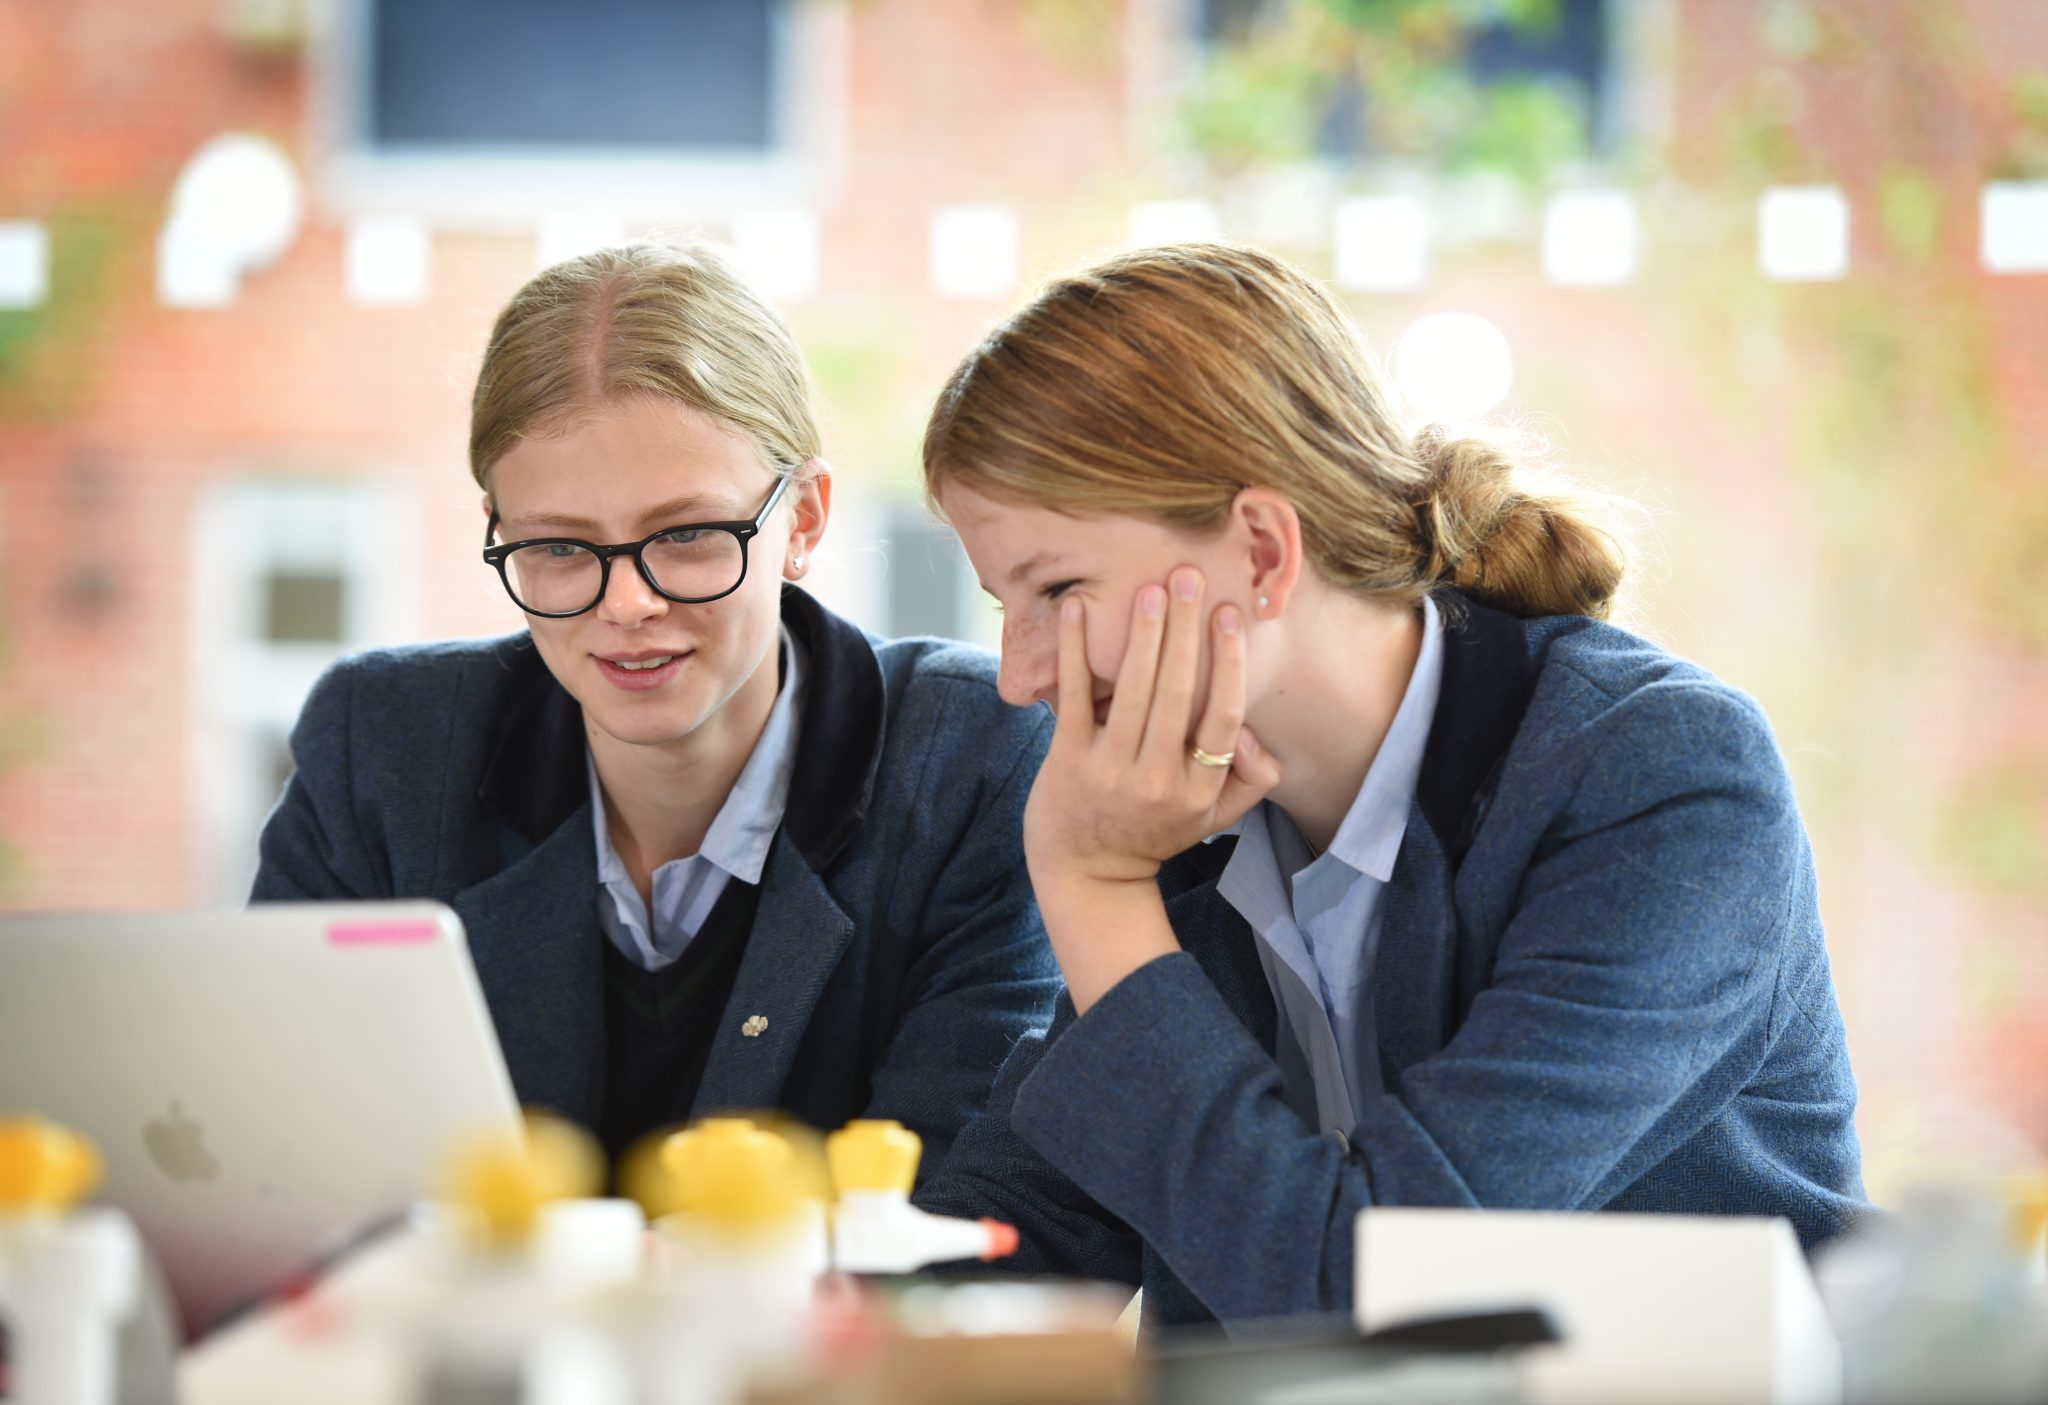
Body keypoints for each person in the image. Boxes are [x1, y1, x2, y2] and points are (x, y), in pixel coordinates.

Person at [912, 242, 1867, 1331]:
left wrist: (1090, 895)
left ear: (1263, 552)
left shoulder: (1660, 781)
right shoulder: (1188, 812)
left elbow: (1370, 1293)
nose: (1018, 672)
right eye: (1002, 602)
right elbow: (1015, 1232)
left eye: (1056, 589)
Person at [253, 240, 1057, 1168]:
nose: (626, 603)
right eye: (559, 547)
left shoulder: (975, 760)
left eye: (685, 535)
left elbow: (954, 1221)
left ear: (803, 518)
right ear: (498, 531)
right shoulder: (382, 751)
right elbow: (278, 1152)